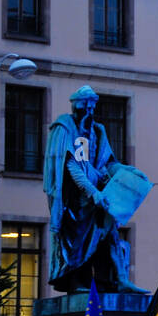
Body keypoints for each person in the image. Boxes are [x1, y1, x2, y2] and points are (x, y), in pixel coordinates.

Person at [44, 86, 146, 293]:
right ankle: (76, 281)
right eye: (85, 107)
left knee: (110, 235)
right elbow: (71, 165)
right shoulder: (65, 128)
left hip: (97, 197)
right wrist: (93, 192)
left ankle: (117, 279)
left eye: (92, 107)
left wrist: (127, 170)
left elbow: (107, 162)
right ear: (76, 106)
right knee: (77, 239)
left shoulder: (98, 131)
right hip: (74, 200)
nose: (89, 112)